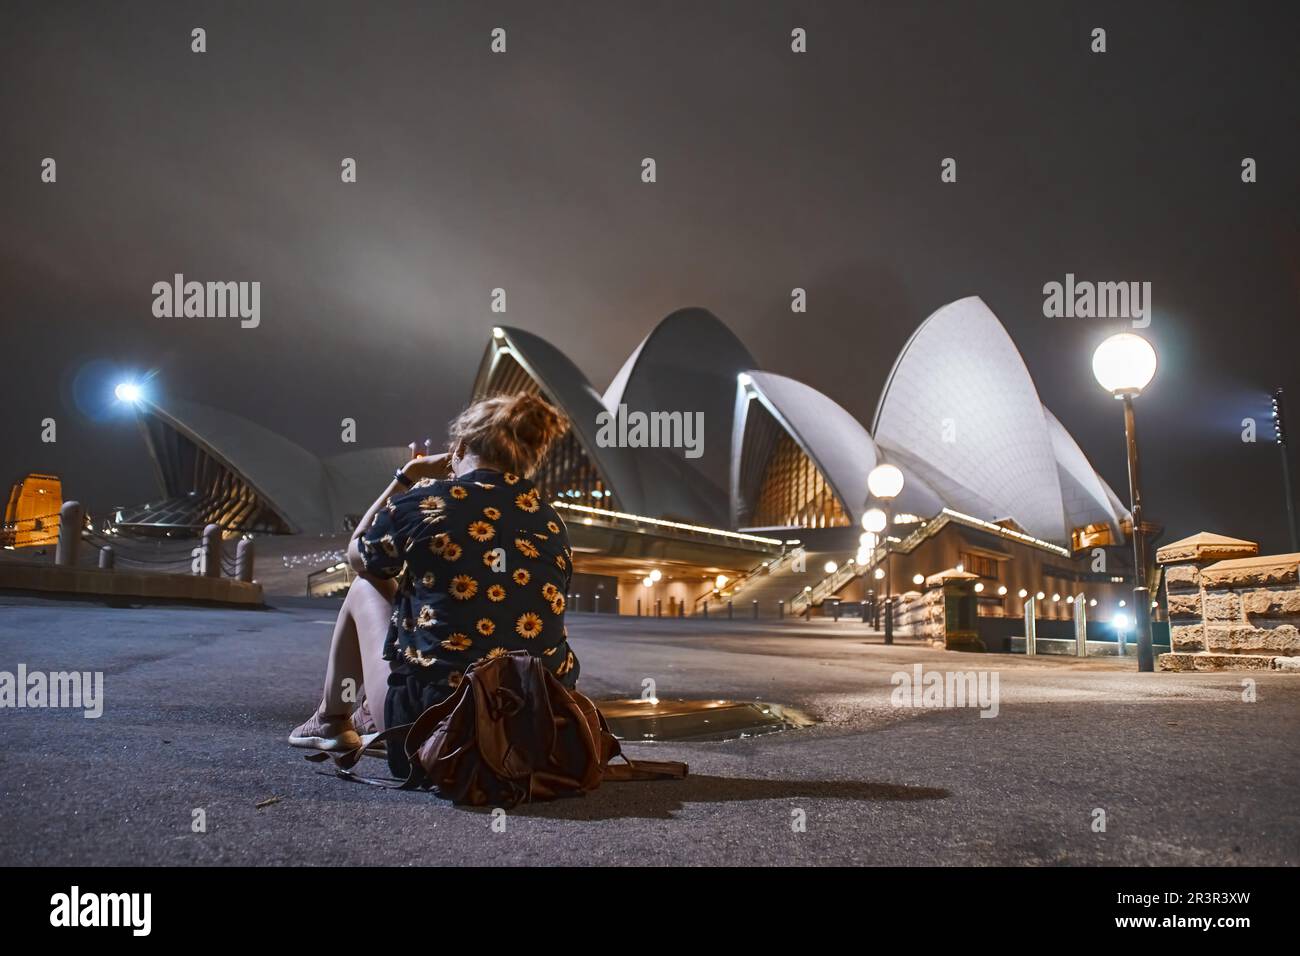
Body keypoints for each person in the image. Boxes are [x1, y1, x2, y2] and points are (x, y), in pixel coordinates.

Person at [289, 392, 577, 776]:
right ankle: (367, 716)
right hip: (538, 727)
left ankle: (332, 719)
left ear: (459, 446)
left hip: (435, 728)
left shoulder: (428, 501)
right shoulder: (550, 521)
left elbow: (359, 554)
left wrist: (410, 476)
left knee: (366, 586)